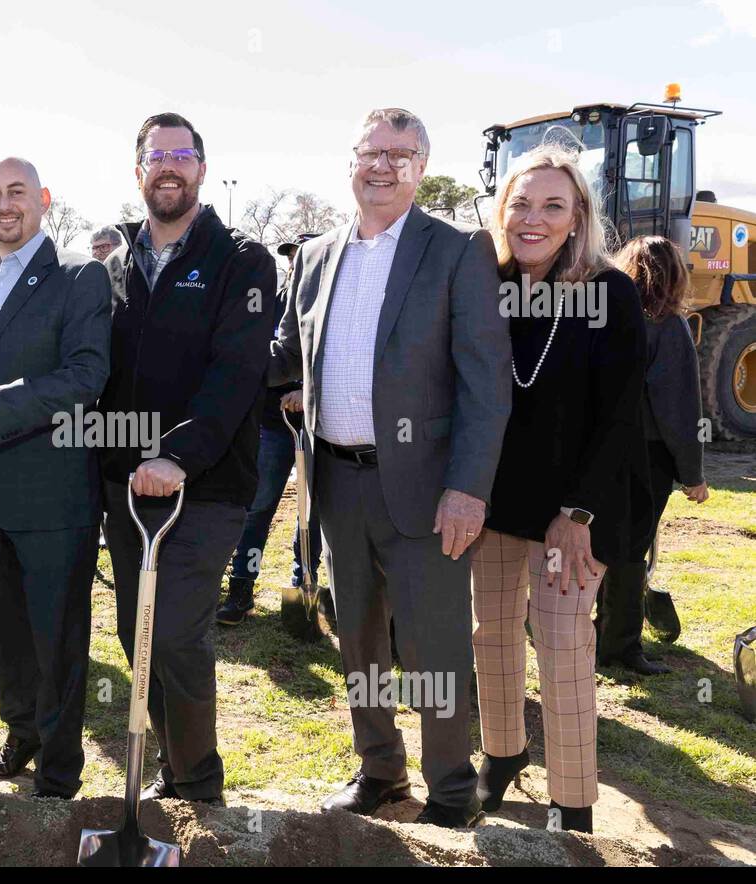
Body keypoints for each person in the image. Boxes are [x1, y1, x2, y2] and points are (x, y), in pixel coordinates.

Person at [269, 107, 511, 828]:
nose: (382, 166)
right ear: (350, 163)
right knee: (360, 640)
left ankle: (448, 789)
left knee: (433, 644)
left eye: (400, 156)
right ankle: (379, 771)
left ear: (421, 169)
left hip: (429, 490)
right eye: (370, 152)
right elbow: (287, 350)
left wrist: (468, 489)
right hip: (337, 484)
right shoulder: (315, 256)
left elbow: (486, 383)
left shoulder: (458, 250)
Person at [471, 141, 650, 834]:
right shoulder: (488, 284)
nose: (534, 218)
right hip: (497, 501)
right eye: (521, 203)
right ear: (502, 210)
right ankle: (502, 754)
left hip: (576, 508)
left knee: (563, 639)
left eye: (553, 205)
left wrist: (576, 512)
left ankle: (572, 803)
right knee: (491, 635)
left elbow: (620, 414)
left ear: (578, 216)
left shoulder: (609, 292)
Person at [99, 112, 277, 803]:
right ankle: (171, 770)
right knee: (130, 629)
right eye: (154, 155)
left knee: (172, 632)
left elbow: (236, 371)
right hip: (125, 483)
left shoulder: (241, 260)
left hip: (203, 485)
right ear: (137, 170)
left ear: (202, 167)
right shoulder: (115, 266)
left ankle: (200, 783)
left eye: (180, 154)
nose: (167, 166)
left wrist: (178, 455)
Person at [0, 157, 110, 798]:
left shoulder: (79, 276)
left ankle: (60, 769)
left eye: (17, 193)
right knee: (5, 628)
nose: (5, 205)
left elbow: (84, 378)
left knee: (57, 634)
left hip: (51, 491)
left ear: (42, 199)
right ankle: (23, 735)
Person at [596, 235, 709, 675]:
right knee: (630, 548)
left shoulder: (603, 315)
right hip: (646, 454)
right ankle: (619, 645)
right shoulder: (667, 324)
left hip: (598, 449)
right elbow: (679, 407)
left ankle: (581, 628)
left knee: (595, 540)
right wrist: (692, 473)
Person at [217, 239, 321, 625]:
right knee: (257, 507)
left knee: (311, 514)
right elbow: (252, 353)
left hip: (318, 426)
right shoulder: (268, 299)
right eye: (292, 260)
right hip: (271, 425)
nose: (296, 266)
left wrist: (305, 391)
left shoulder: (327, 302)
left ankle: (305, 586)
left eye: (303, 259)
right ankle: (241, 587)